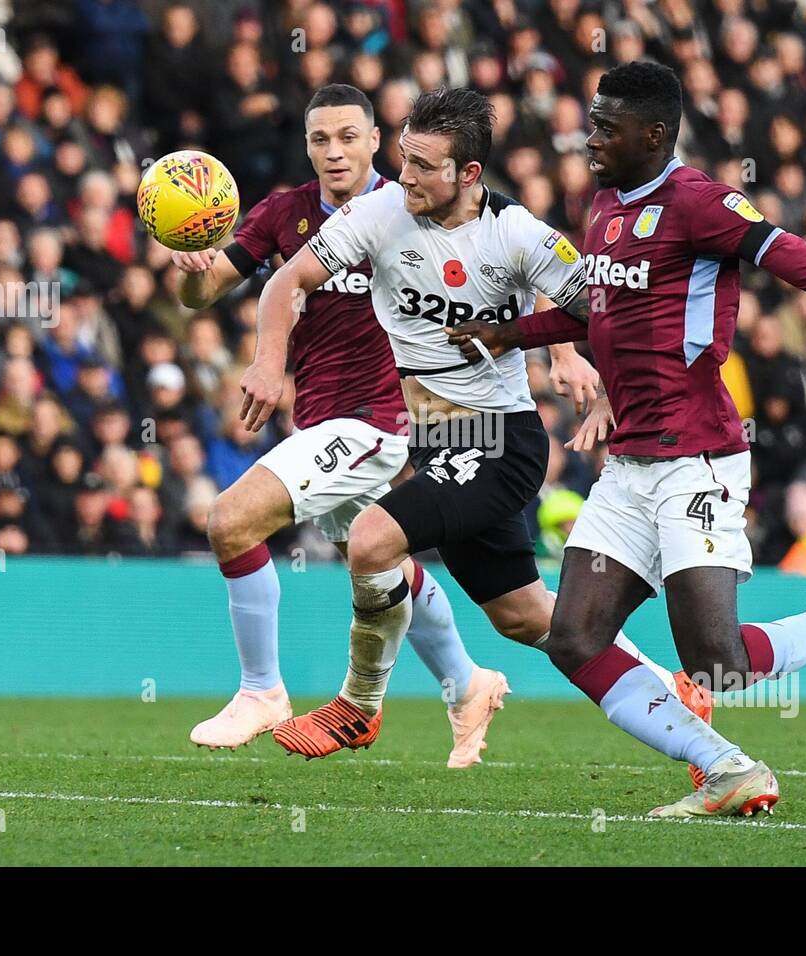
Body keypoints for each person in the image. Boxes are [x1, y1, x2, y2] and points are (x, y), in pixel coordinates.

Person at [449, 62, 806, 816]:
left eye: (605, 127)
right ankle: (727, 767)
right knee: (573, 637)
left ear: (654, 134)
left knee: (714, 664)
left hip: (700, 459)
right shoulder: (607, 206)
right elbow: (601, 311)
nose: (588, 138)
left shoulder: (703, 204)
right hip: (628, 468)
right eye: (592, 121)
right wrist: (509, 333)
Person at [243, 86, 684, 762]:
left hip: (500, 441)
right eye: (404, 159)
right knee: (526, 618)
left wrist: (594, 384)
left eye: (424, 166)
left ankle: (358, 706)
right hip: (439, 440)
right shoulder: (379, 213)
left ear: (469, 174)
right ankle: (673, 691)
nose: (406, 178)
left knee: (370, 539)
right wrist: (270, 364)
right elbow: (286, 283)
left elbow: (610, 312)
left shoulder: (518, 233)